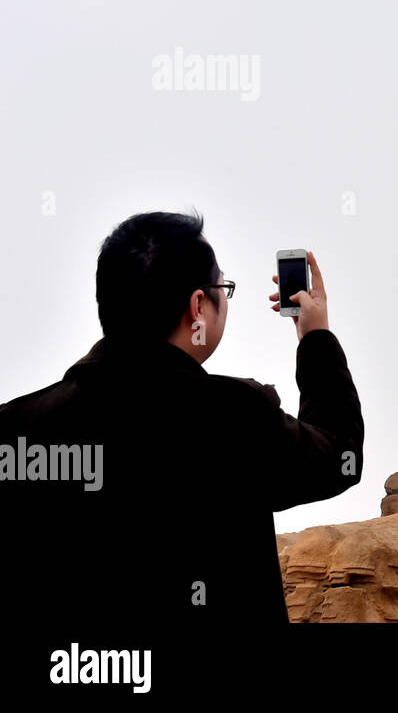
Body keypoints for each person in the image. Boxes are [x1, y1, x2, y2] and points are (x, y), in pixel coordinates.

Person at [0, 210, 363, 628]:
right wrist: (315, 338)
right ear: (197, 306)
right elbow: (340, 456)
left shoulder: (16, 427)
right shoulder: (234, 415)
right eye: (222, 288)